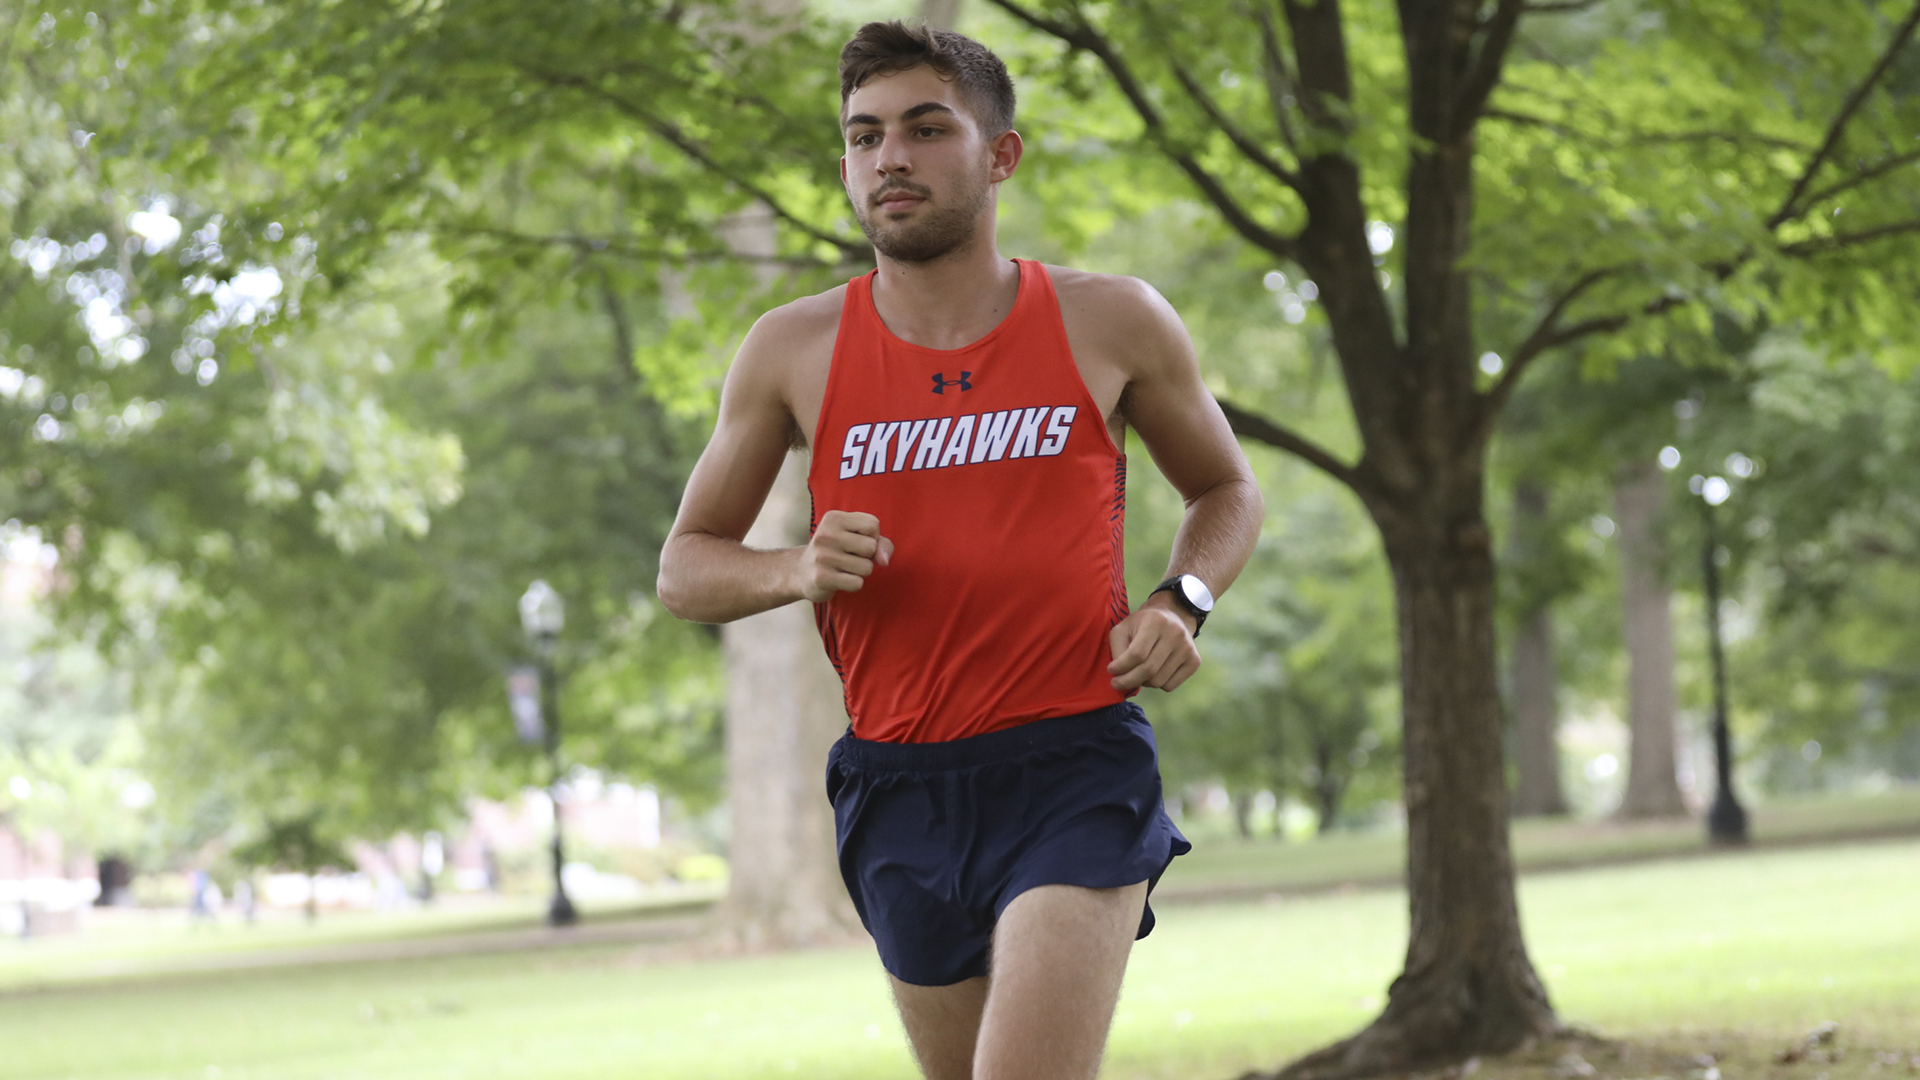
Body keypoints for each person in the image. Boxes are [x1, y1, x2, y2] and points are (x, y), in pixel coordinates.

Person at [657, 21, 1262, 1080]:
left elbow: (1226, 489)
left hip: (1075, 764)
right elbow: (687, 567)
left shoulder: (1112, 320)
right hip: (896, 783)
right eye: (865, 136)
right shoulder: (791, 349)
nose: (890, 157)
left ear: (1001, 155)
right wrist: (794, 568)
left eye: (927, 129)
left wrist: (1182, 599)